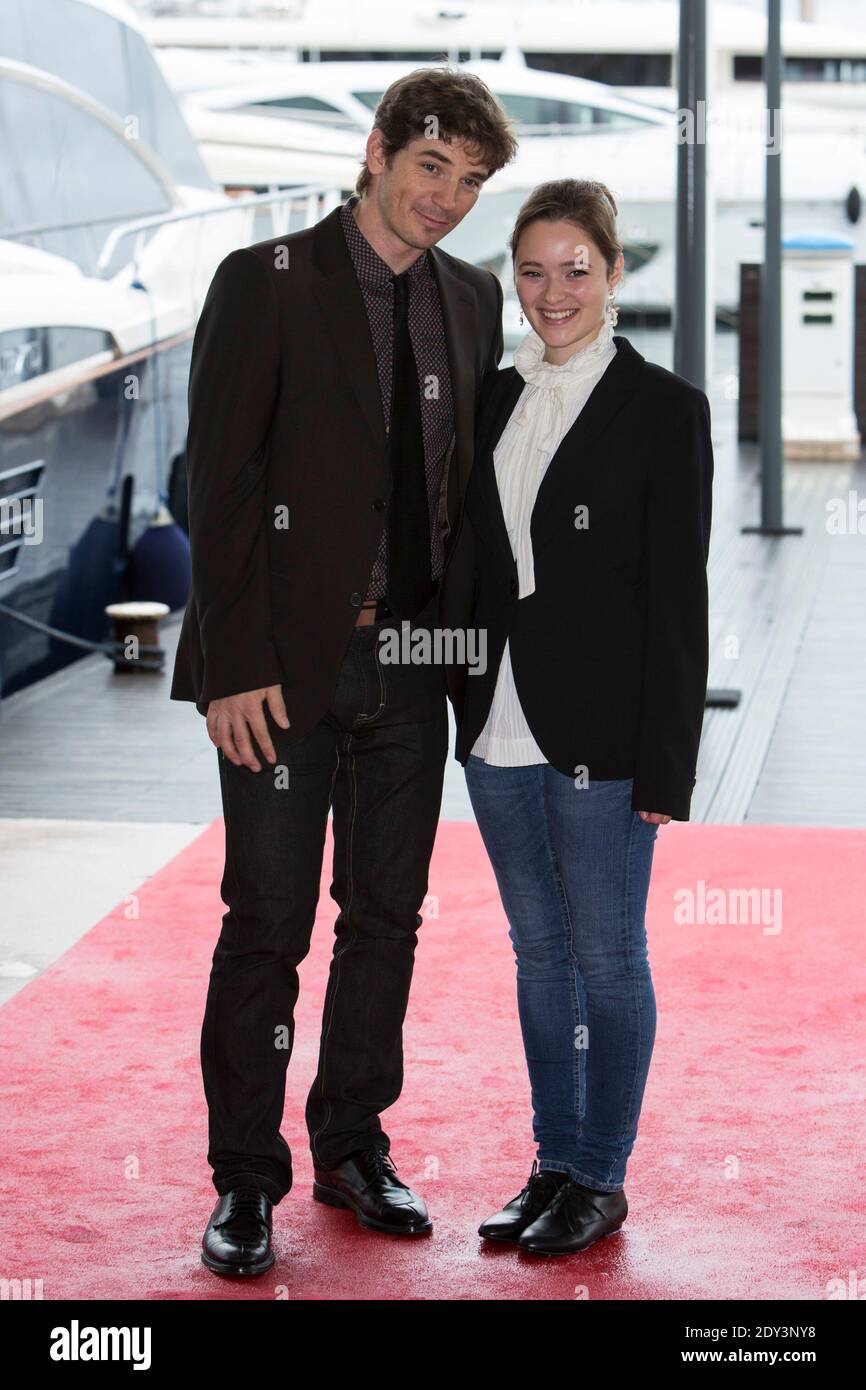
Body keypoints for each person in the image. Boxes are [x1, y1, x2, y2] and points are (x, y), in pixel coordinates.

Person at [170, 66, 517, 1276]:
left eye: (471, 183)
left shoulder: (472, 301)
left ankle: (352, 1142)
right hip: (281, 669)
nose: (448, 199)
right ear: (376, 151)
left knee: (386, 917)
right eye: (432, 168)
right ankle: (243, 1180)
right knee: (264, 922)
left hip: (415, 662)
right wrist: (230, 666)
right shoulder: (263, 282)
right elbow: (212, 485)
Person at [440, 178, 714, 1256]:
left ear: (611, 271)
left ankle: (601, 1175)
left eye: (575, 268)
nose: (552, 292)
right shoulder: (492, 395)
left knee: (606, 956)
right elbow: (469, 563)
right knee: (535, 950)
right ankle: (552, 1162)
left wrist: (665, 770)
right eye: (532, 270)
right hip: (494, 718)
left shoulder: (663, 409)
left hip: (602, 729)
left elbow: (676, 602)